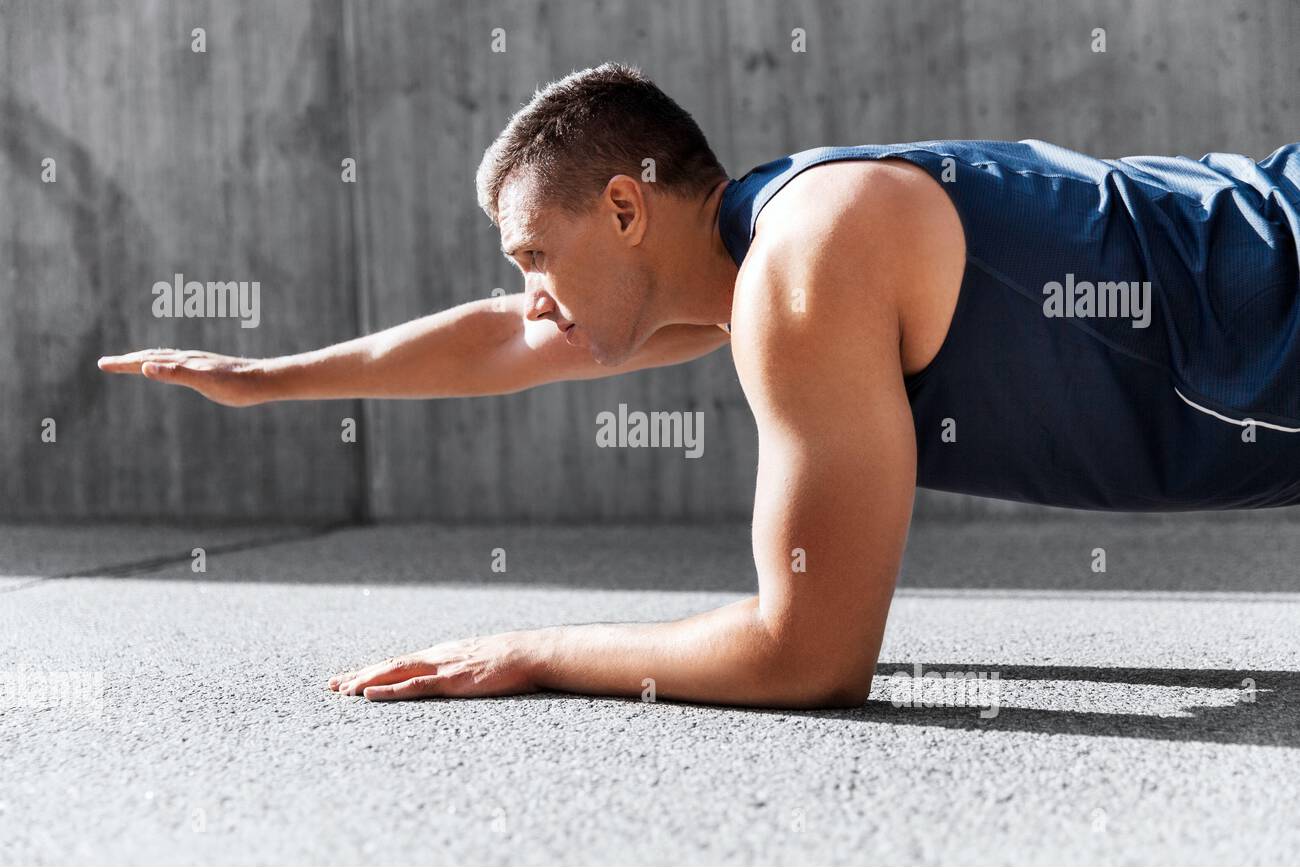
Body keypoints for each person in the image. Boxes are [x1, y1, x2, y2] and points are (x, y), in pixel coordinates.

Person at [98, 62, 1300, 708]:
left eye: (533, 255)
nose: (528, 295)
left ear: (624, 205)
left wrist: (534, 646)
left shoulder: (803, 271)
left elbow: (806, 657)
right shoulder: (744, 264)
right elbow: (504, 340)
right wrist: (269, 378)